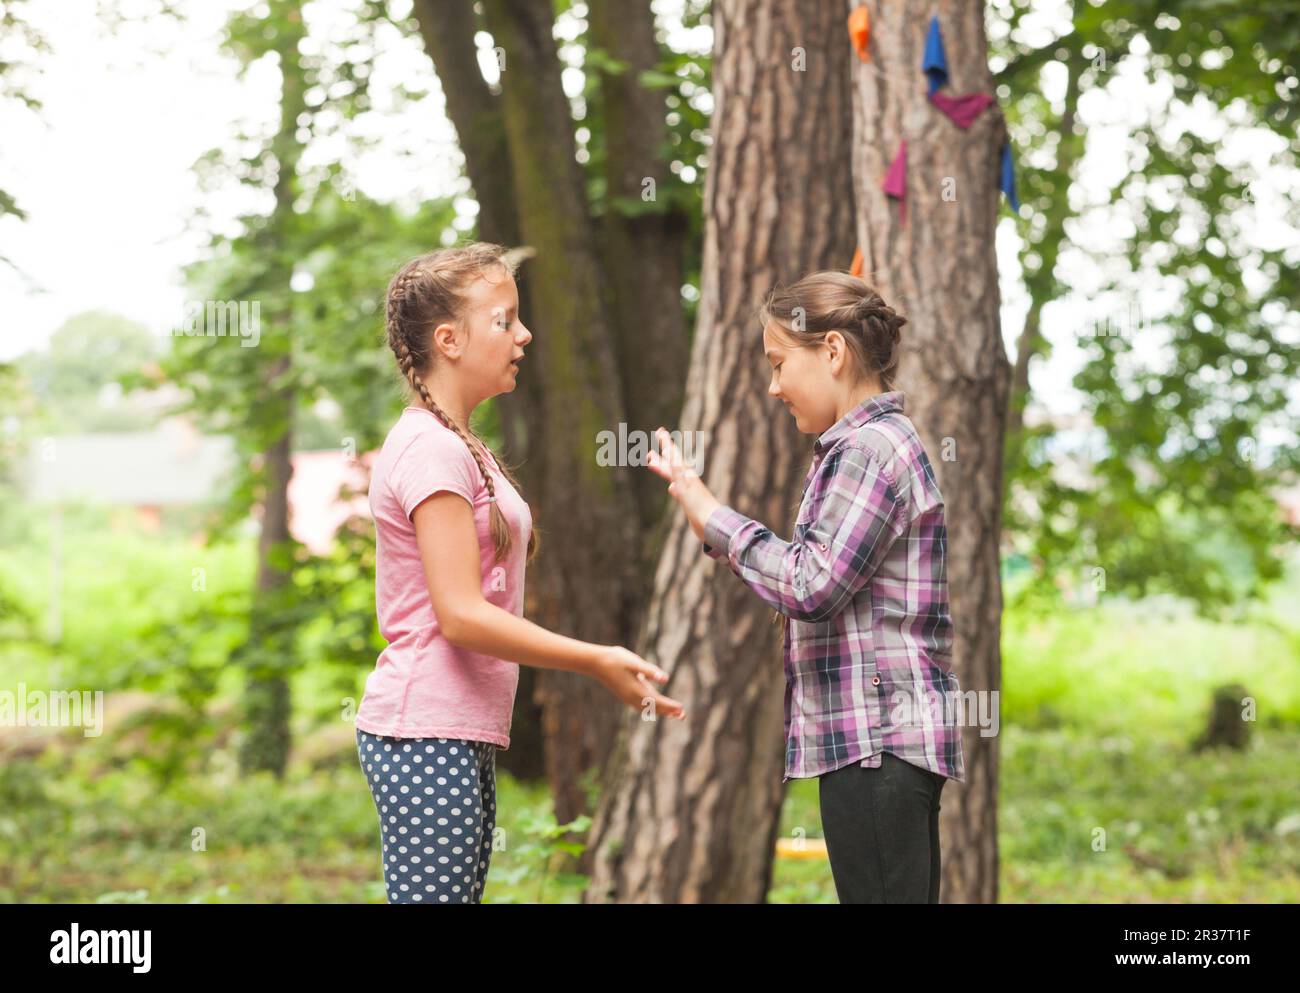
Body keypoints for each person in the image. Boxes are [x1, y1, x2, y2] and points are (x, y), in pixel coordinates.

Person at [356, 242, 684, 904]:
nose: (524, 333)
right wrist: (594, 659)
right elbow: (461, 613)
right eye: (504, 319)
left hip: (455, 728)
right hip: (423, 727)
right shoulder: (430, 449)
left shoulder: (458, 442)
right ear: (448, 340)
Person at [647, 269, 964, 904]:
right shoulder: (866, 445)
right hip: (878, 744)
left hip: (877, 742)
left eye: (778, 363)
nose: (772, 386)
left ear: (833, 352)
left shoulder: (869, 450)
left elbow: (814, 585)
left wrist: (713, 516)